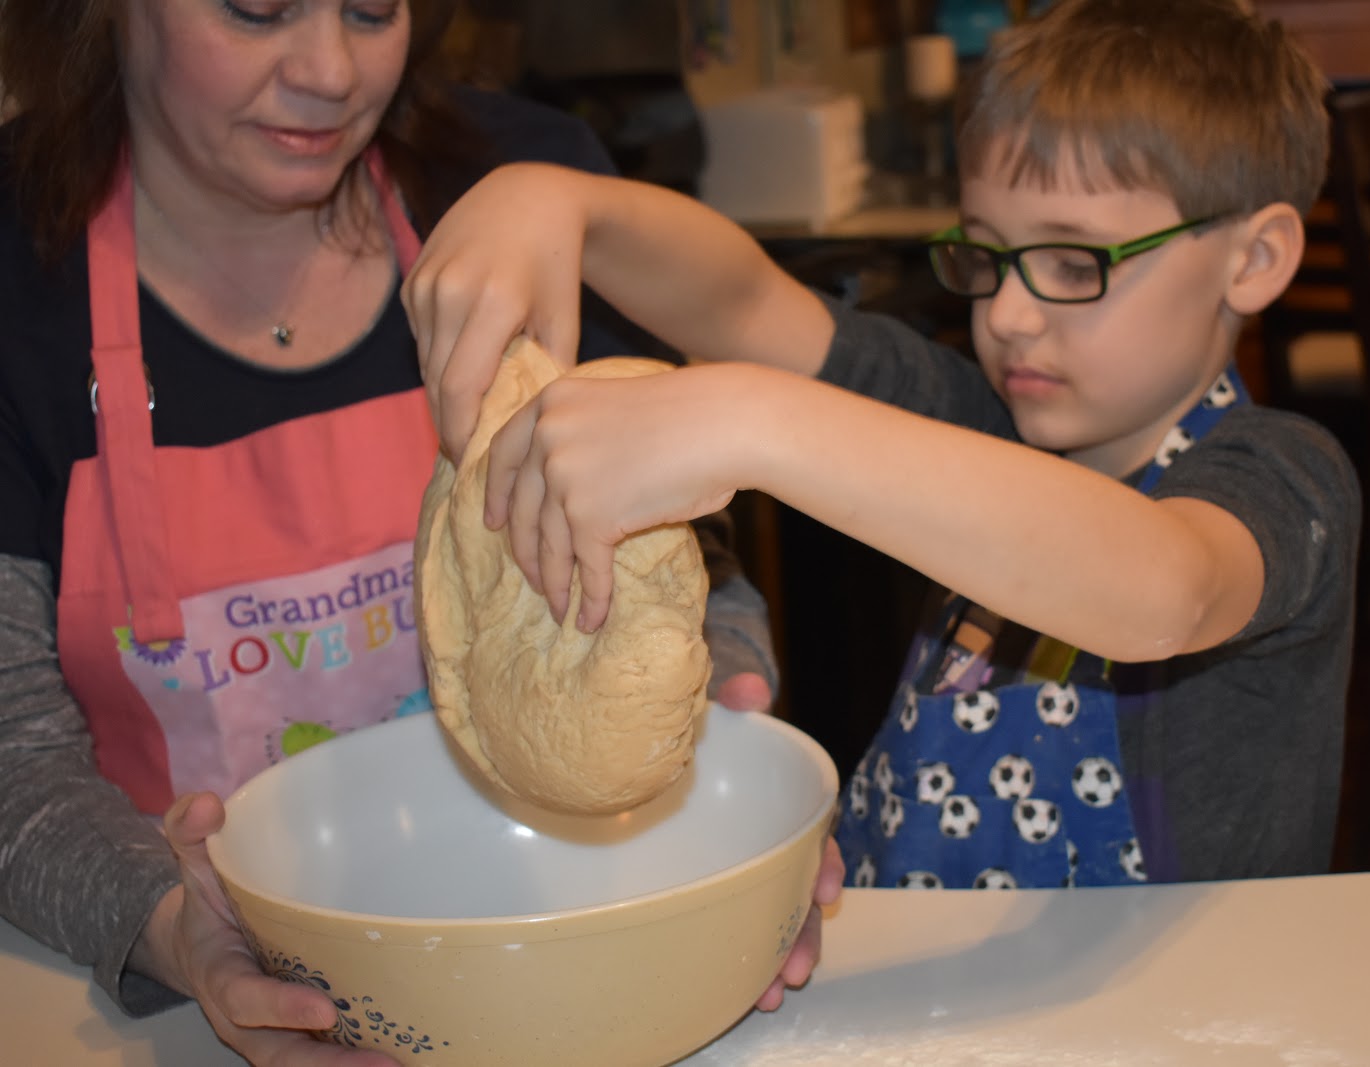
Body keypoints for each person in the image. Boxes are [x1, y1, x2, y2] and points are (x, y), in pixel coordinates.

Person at [0, 1, 838, 1063]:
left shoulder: (524, 187)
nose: (331, 72)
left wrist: (726, 818)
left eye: (371, 8)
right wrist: (175, 925)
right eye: (257, 8)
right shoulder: (15, 271)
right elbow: (9, 748)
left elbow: (684, 558)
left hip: (574, 943)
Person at [403, 0, 1359, 892]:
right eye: (987, 257)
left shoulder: (1284, 476)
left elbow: (1163, 589)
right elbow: (744, 305)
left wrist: (751, 421)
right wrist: (560, 203)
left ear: (1255, 258)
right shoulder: (982, 419)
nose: (1010, 315)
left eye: (1074, 262)